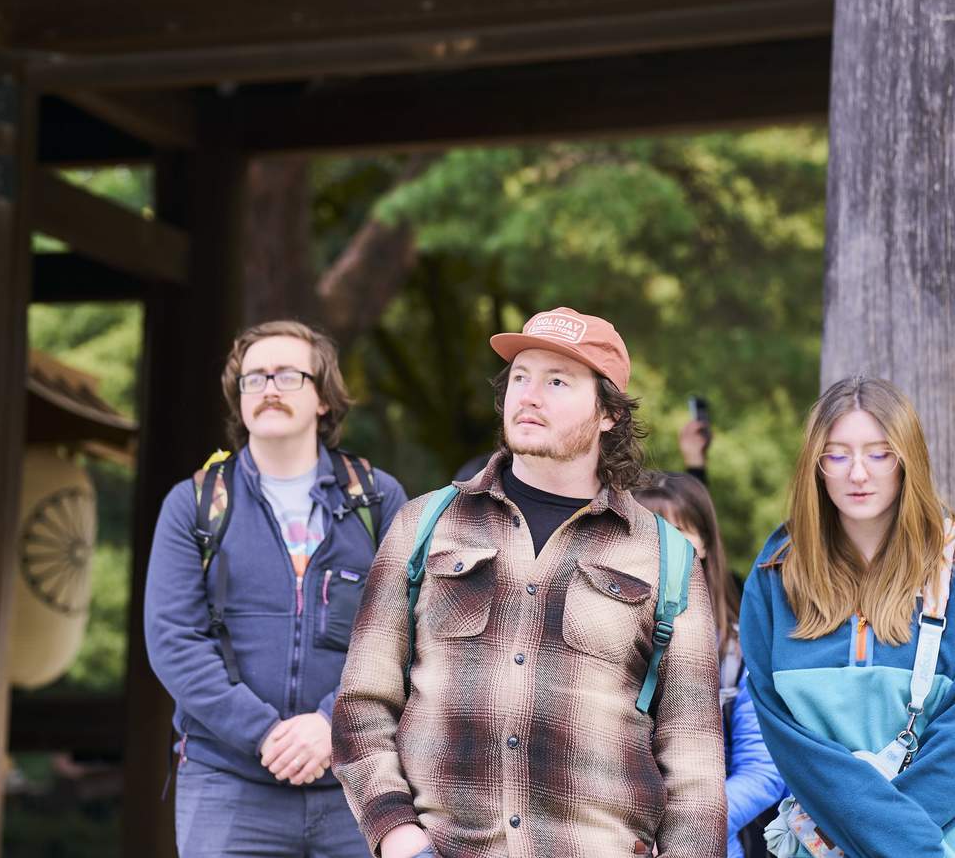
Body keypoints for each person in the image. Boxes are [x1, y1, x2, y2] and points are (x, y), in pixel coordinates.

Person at [333, 306, 725, 858]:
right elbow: (361, 704)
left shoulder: (666, 556)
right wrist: (399, 837)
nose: (529, 395)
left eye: (557, 381)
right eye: (520, 377)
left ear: (609, 412)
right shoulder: (424, 526)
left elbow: (695, 766)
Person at [145, 319, 407, 857]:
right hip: (227, 781)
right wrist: (264, 734)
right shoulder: (194, 505)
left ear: (324, 400)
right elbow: (174, 640)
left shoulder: (377, 501)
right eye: (254, 378)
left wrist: (333, 725)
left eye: (288, 376)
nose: (268, 389)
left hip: (358, 781)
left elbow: (408, 633)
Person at [741, 376, 955, 857]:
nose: (858, 473)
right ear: (816, 467)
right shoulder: (776, 573)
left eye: (879, 453)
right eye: (837, 455)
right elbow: (788, 737)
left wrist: (896, 842)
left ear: (907, 461)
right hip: (820, 845)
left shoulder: (951, 564)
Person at [633, 472, 785, 857]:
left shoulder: (740, 649)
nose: (664, 550)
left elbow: (763, 771)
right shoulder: (592, 639)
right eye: (650, 534)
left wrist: (684, 832)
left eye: (678, 533)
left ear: (703, 544)